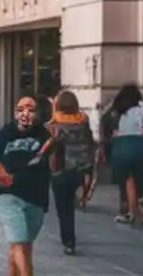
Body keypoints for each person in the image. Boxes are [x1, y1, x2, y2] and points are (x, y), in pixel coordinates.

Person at [0, 95, 50, 276]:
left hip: (36, 197)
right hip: (10, 195)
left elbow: (55, 163)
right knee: (19, 242)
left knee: (22, 245)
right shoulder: (5, 133)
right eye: (20, 110)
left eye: (30, 109)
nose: (25, 114)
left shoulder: (46, 136)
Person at [45, 89, 95, 254]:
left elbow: (49, 144)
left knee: (63, 208)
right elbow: (89, 144)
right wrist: (89, 170)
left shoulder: (54, 123)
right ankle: (69, 235)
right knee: (70, 205)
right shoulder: (83, 120)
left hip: (60, 170)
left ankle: (69, 241)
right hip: (79, 169)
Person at [101, 83, 143, 225]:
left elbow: (105, 125)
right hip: (140, 144)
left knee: (126, 180)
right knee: (138, 179)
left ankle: (127, 210)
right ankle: (137, 205)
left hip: (121, 145)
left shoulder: (116, 110)